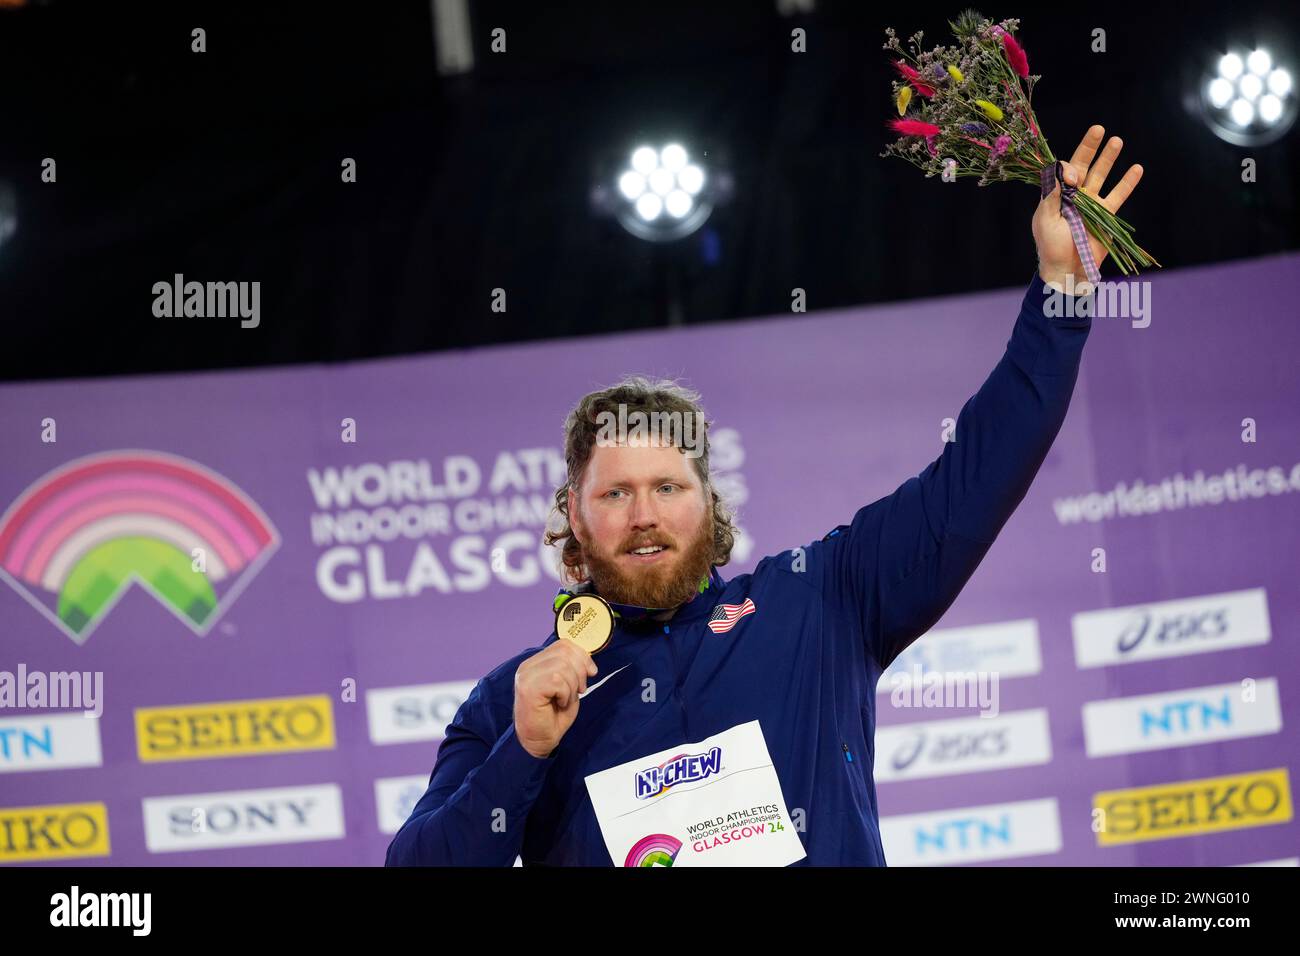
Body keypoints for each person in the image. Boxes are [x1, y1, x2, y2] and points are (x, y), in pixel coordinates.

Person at [386, 126, 1143, 866]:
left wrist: (1064, 292)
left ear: (708, 503)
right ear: (573, 518)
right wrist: (521, 752)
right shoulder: (514, 699)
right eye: (614, 493)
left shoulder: (823, 601)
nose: (644, 514)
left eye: (667, 487)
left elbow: (978, 475)